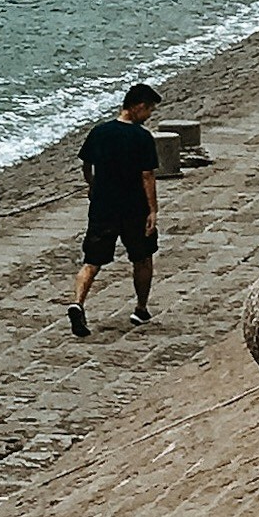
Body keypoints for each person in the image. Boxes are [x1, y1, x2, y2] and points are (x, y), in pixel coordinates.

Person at [58, 83, 168, 338]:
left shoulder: (100, 132)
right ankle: (141, 308)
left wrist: (92, 186)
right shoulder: (142, 137)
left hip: (103, 206)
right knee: (142, 258)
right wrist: (153, 210)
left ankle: (78, 302)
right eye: (149, 110)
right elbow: (147, 176)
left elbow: (86, 164)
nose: (150, 115)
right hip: (133, 208)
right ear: (138, 106)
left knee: (92, 261)